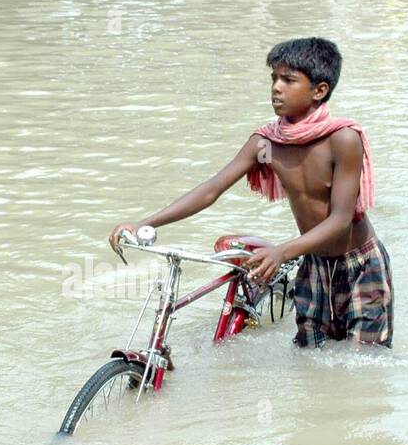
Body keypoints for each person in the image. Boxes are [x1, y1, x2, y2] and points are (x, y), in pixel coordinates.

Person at [107, 38, 392, 348]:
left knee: (363, 363)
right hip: (313, 262)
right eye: (274, 78)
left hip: (359, 265)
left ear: (319, 90)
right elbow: (210, 190)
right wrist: (145, 223)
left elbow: (340, 220)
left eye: (288, 80)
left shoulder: (343, 139)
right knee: (313, 357)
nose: (276, 88)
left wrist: (282, 252)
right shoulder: (267, 142)